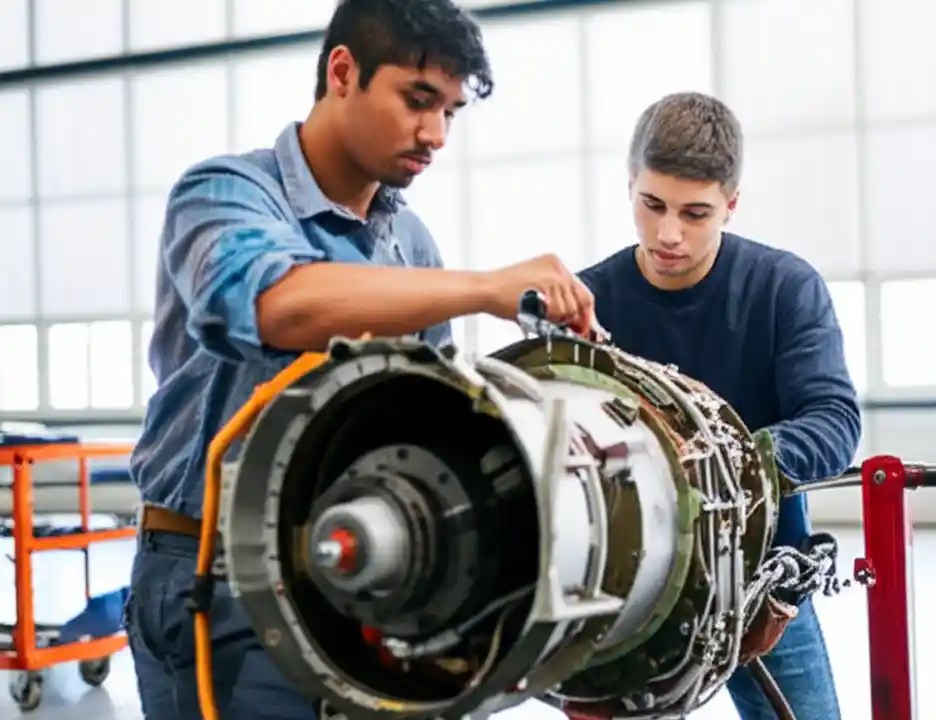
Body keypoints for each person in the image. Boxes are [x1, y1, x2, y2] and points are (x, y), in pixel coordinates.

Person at [125, 1, 594, 717]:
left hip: (363, 569)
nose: (435, 134)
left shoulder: (411, 246)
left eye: (451, 113)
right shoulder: (225, 195)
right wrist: (483, 289)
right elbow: (277, 306)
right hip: (210, 576)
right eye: (418, 100)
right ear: (343, 72)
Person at [577, 92, 861, 719]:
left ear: (732, 204)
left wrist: (721, 463)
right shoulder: (589, 302)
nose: (668, 233)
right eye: (651, 205)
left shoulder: (784, 289)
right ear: (630, 184)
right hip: (626, 588)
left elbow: (835, 422)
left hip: (760, 575)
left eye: (695, 213)